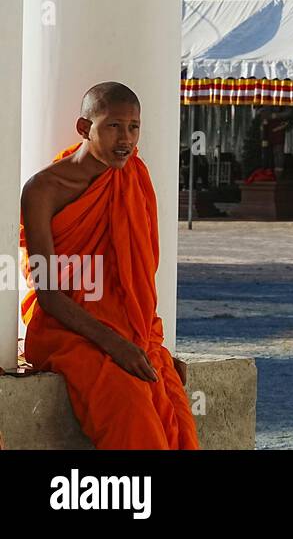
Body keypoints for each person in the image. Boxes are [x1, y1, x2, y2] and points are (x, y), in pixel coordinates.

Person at [19, 82, 199, 449]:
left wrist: (144, 342)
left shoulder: (135, 176)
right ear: (84, 129)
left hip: (127, 328)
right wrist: (115, 345)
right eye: (113, 126)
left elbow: (138, 277)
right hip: (65, 330)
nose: (126, 139)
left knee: (174, 414)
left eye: (134, 127)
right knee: (131, 407)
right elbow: (48, 294)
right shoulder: (42, 190)